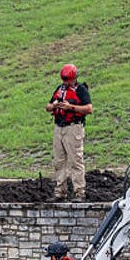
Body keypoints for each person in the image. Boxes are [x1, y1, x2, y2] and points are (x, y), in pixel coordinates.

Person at [45, 64, 93, 201]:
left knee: (75, 160)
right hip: (58, 127)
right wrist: (53, 105)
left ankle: (79, 192)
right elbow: (47, 107)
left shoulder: (81, 90)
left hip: (73, 127)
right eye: (64, 80)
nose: (66, 82)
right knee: (59, 161)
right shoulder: (59, 90)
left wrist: (70, 107)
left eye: (68, 80)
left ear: (74, 78)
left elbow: (89, 109)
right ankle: (60, 192)